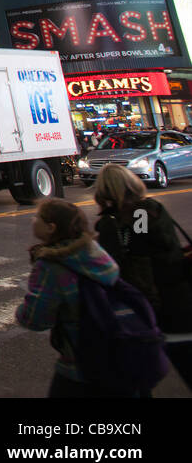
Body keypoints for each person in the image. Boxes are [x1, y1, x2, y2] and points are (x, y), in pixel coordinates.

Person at [15, 198, 134, 397]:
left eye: (37, 216)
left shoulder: (50, 266)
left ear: (51, 227)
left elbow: (35, 319)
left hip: (80, 364)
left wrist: (20, 310)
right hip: (120, 354)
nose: (32, 219)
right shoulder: (93, 250)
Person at [94, 165, 192, 390]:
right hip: (177, 299)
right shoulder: (150, 208)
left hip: (159, 307)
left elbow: (140, 256)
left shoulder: (134, 216)